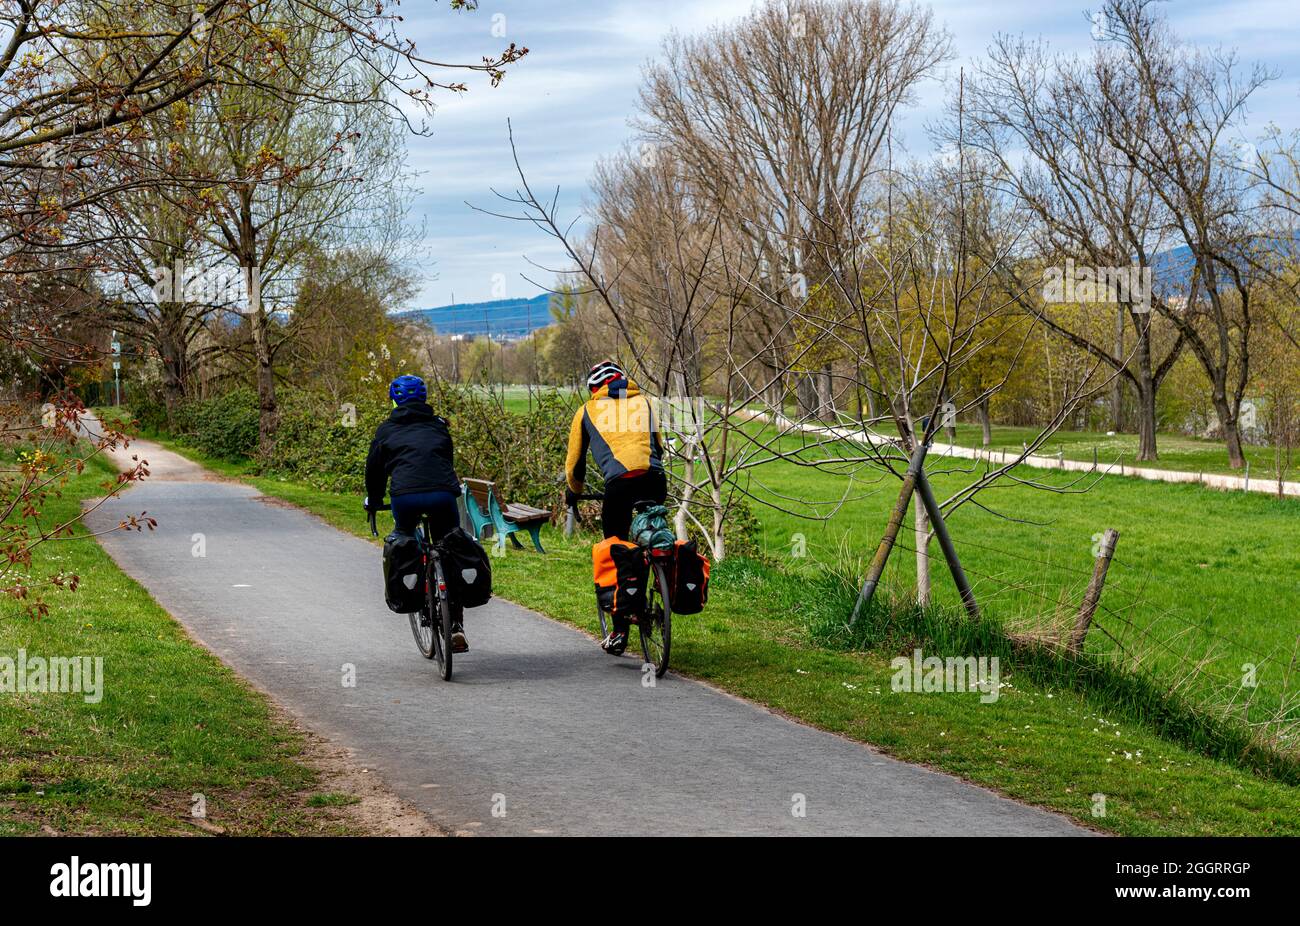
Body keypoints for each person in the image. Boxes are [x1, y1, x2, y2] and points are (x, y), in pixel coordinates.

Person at [565, 360, 667, 655]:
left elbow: (575, 465)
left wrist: (574, 493)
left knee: (617, 547)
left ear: (594, 388)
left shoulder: (586, 411)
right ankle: (657, 578)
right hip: (654, 479)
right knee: (650, 536)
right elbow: (658, 447)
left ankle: (620, 629)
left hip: (619, 485)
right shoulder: (646, 402)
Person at [365, 374, 468, 653]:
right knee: (449, 545)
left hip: (405, 498)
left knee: (406, 539)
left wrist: (373, 500)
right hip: (442, 494)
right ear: (423, 398)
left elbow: (374, 471)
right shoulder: (439, 425)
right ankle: (455, 625)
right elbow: (446, 459)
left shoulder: (386, 430)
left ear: (394, 399)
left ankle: (415, 590)